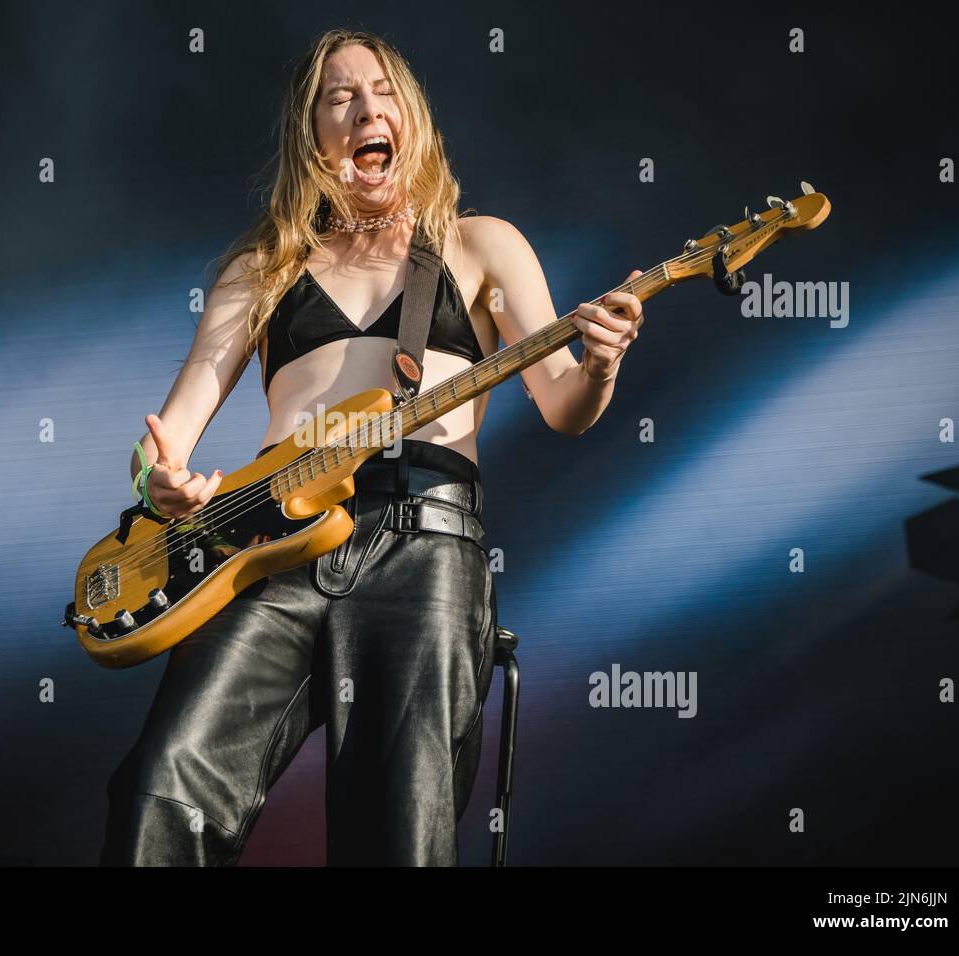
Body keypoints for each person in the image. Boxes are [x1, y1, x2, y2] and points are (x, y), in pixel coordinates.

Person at [100, 27, 643, 866]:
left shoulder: (480, 243)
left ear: (411, 119)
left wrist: (601, 364)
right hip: (268, 544)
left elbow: (565, 405)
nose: (365, 108)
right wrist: (159, 477)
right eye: (339, 97)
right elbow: (168, 435)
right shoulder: (264, 267)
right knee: (164, 782)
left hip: (423, 543)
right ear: (311, 134)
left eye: (382, 91)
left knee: (400, 825)